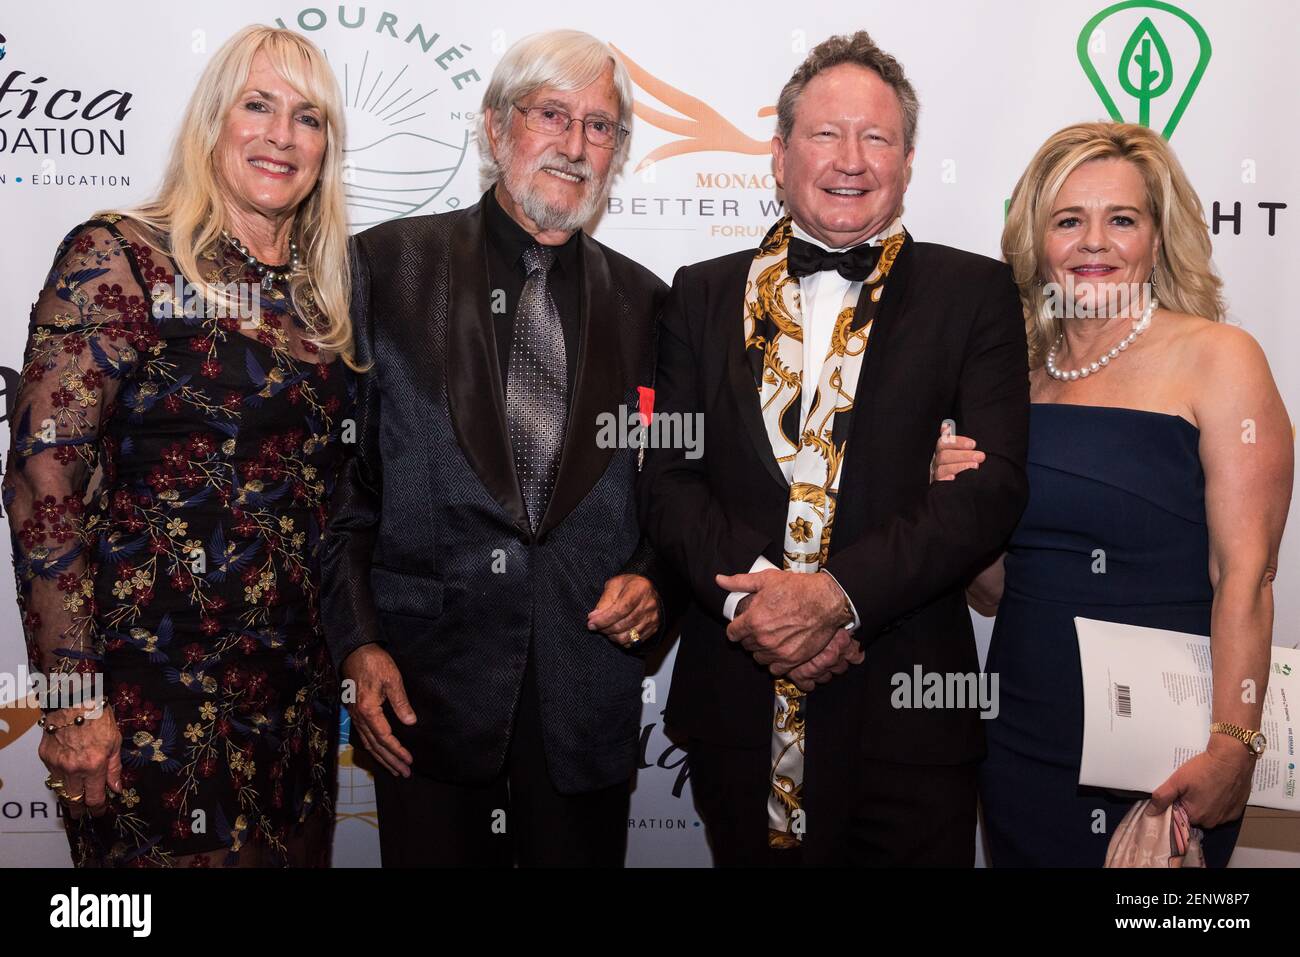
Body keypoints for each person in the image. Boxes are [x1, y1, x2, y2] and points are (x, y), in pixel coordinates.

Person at [638, 30, 1030, 866]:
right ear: (779, 156)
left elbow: (986, 494)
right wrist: (762, 607)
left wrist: (838, 596)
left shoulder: (977, 294)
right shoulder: (699, 294)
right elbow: (669, 482)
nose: (850, 158)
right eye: (825, 134)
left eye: (877, 136)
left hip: (907, 713)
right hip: (737, 707)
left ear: (910, 158)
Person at [319, 30, 680, 867]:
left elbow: (673, 489)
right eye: (552, 114)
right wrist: (358, 640)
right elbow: (341, 485)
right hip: (425, 690)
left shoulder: (649, 304)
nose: (576, 144)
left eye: (601, 127)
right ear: (494, 128)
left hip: (584, 689)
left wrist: (657, 580)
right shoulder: (385, 269)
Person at [4, 25, 356, 866]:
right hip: (147, 711)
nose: (282, 135)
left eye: (307, 118)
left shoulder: (319, 296)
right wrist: (71, 699)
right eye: (258, 105)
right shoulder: (122, 256)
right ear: (212, 122)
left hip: (292, 712)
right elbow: (44, 481)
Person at [932, 122, 1293, 867]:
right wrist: (957, 506)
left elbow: (1248, 575)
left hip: (1164, 753)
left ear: (1158, 240)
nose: (1094, 242)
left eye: (1121, 219)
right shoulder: (1016, 385)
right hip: (1021, 737)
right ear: (1038, 244)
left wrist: (1234, 744)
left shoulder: (1218, 359)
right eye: (1069, 220)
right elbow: (995, 591)